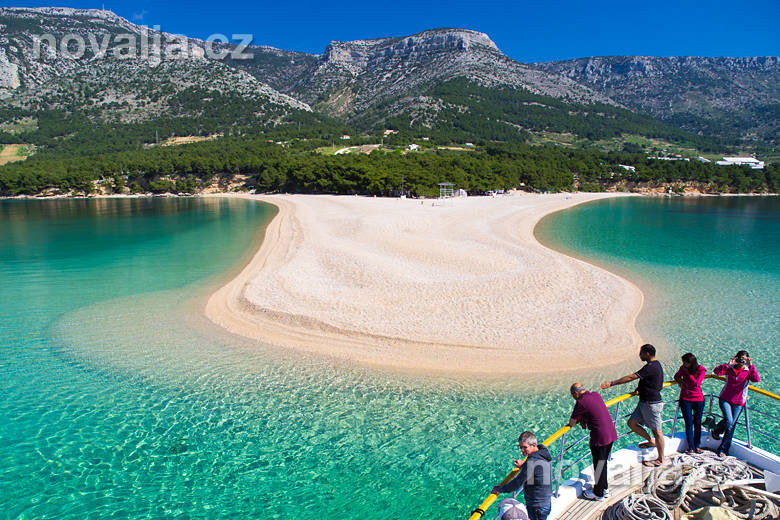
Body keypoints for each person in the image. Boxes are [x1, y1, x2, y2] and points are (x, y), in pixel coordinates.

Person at [601, 343, 665, 467]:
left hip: (651, 404)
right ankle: (651, 441)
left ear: (647, 353)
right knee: (631, 423)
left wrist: (612, 383)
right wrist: (640, 388)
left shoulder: (651, 367)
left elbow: (632, 377)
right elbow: (654, 382)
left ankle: (661, 459)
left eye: (641, 353)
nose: (639, 355)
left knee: (658, 432)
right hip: (644, 402)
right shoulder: (654, 366)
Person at [567, 383, 618, 501]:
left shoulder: (581, 402)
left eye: (572, 395)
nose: (573, 397)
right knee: (603, 463)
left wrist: (580, 419)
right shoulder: (596, 395)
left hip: (600, 438)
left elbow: (571, 422)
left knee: (598, 465)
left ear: (575, 393)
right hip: (611, 433)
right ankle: (603, 488)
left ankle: (599, 494)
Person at [492, 431, 553, 520]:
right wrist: (523, 466)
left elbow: (517, 484)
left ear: (534, 445)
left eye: (525, 447)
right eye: (520, 447)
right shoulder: (542, 452)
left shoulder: (531, 462)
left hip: (537, 506)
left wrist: (500, 489)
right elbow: (536, 468)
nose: (522, 450)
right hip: (545, 502)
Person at [711, 350, 760, 456]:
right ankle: (718, 433)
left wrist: (751, 366)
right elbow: (717, 371)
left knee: (731, 424)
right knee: (729, 421)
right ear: (736, 358)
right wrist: (728, 364)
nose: (741, 361)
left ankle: (723, 448)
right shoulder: (730, 368)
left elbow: (756, 379)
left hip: (739, 402)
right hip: (725, 399)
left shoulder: (748, 371)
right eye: (740, 358)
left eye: (744, 359)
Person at [674, 353, 706, 454]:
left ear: (691, 363)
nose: (683, 364)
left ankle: (697, 445)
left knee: (697, 423)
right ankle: (691, 447)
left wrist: (687, 373)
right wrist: (680, 381)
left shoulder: (701, 370)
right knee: (688, 423)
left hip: (698, 399)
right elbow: (676, 376)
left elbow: (696, 383)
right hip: (685, 399)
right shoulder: (683, 368)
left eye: (685, 362)